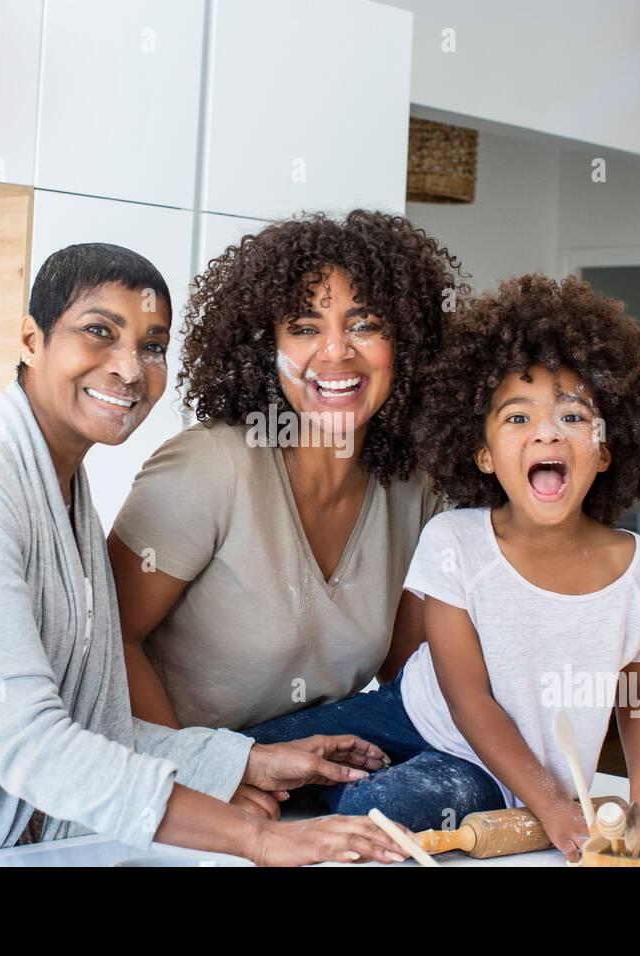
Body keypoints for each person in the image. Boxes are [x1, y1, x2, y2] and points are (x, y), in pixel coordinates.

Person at [0, 243, 408, 867]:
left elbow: (95, 730)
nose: (128, 367)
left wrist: (247, 763)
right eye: (99, 331)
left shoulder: (66, 498)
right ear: (32, 340)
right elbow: (33, 745)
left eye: (151, 345)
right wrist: (257, 839)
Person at [243, 274, 640, 862]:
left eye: (572, 416)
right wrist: (560, 813)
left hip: (491, 771)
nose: (545, 430)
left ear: (607, 447)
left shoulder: (638, 568)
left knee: (370, 812)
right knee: (247, 751)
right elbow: (469, 700)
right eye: (517, 418)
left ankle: (318, 788)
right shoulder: (455, 540)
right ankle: (293, 783)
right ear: (483, 453)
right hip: (415, 711)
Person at [108, 211, 467, 821]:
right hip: (170, 781)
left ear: (406, 344)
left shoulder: (416, 489)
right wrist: (202, 779)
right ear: (264, 348)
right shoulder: (212, 466)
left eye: (366, 325)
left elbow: (406, 679)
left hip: (307, 772)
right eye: (305, 327)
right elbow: (111, 642)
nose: (335, 352)